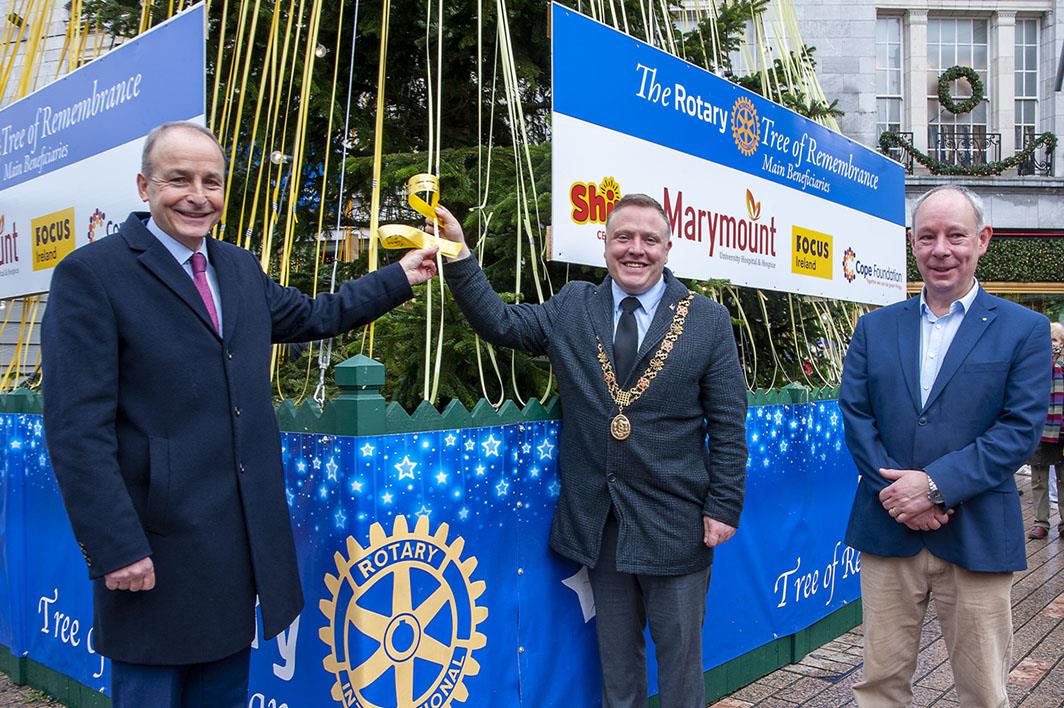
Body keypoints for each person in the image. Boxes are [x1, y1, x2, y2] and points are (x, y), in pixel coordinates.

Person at [41, 121, 438, 706]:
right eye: (179, 180)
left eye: (212, 182)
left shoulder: (238, 267)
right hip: (153, 550)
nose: (198, 196)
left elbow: (315, 315)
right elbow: (77, 431)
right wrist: (116, 545)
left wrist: (400, 276)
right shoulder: (92, 275)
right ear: (145, 187)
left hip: (233, 549)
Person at [431, 193, 747, 707]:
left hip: (676, 522)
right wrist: (460, 256)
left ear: (668, 249)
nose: (636, 249)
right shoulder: (574, 306)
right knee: (617, 668)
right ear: (606, 244)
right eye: (624, 237)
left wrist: (724, 505)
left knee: (680, 668)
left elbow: (729, 424)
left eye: (649, 239)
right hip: (602, 524)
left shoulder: (708, 320)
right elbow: (502, 323)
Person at [839, 185, 1051, 707]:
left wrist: (933, 487)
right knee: (880, 687)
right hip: (888, 529)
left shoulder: (1024, 330)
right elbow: (858, 417)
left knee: (983, 692)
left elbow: (1018, 430)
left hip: (977, 533)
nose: (941, 250)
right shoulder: (874, 328)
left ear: (982, 240)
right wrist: (900, 496)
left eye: (956, 236)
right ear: (912, 242)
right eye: (927, 236)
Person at [1027, 321, 1064, 540]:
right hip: (1041, 429)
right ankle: (1041, 521)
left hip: (1061, 431)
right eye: (1048, 340)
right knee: (1039, 479)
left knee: (1063, 479)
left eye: (1055, 340)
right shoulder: (1036, 366)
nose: (1052, 344)